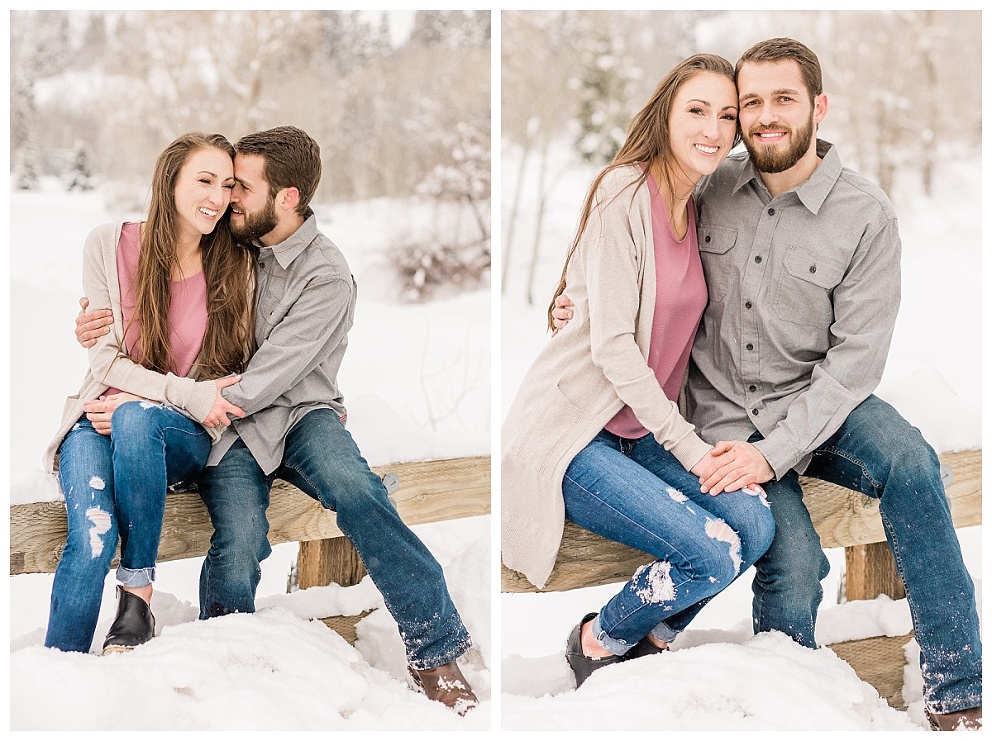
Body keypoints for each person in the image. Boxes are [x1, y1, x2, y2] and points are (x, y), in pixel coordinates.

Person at [552, 38, 981, 729]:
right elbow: (622, 243)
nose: (764, 117)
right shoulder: (710, 186)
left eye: (783, 99)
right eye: (751, 102)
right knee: (795, 559)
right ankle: (790, 710)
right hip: (723, 415)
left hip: (823, 402)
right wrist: (571, 297)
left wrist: (775, 450)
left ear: (818, 106)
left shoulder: (866, 215)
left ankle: (957, 691)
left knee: (912, 463)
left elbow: (855, 363)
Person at [76, 126, 478, 715]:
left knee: (357, 493)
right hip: (232, 428)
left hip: (299, 415)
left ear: (286, 198)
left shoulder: (326, 276)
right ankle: (225, 648)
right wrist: (94, 327)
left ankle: (435, 649)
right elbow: (155, 303)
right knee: (238, 538)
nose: (228, 198)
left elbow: (267, 379)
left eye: (242, 186)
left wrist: (171, 403)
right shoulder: (234, 245)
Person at [501, 54, 776, 689]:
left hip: (643, 430)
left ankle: (651, 646)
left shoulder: (704, 200)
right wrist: (691, 446)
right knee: (708, 550)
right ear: (666, 115)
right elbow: (614, 344)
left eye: (727, 116)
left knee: (755, 525)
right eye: (697, 111)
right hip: (574, 434)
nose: (713, 128)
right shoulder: (625, 190)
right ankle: (596, 642)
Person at [43, 133, 256, 655]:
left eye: (227, 185)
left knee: (138, 417)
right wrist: (170, 393)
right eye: (203, 180)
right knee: (91, 538)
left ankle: (136, 595)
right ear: (170, 183)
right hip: (96, 417)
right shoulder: (108, 244)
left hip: (178, 433)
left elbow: (231, 375)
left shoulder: (236, 265)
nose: (217, 196)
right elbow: (104, 359)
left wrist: (151, 404)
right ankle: (55, 674)